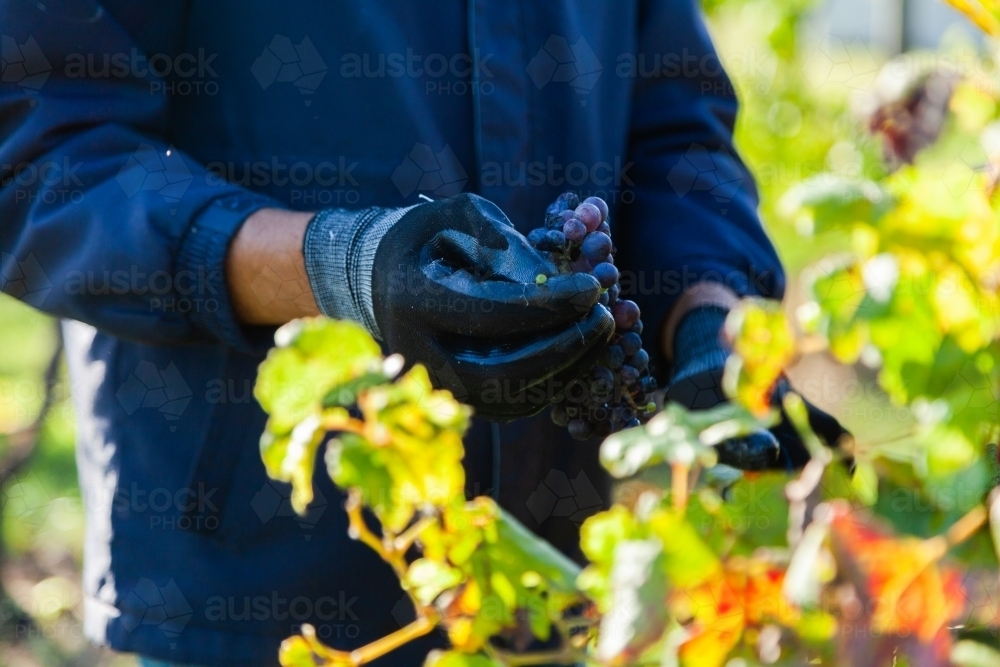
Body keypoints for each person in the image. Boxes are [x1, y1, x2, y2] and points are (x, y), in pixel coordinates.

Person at [0, 0, 848, 665]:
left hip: (557, 584)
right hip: (257, 604)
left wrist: (707, 320)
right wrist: (339, 264)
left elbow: (673, 122)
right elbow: (39, 154)